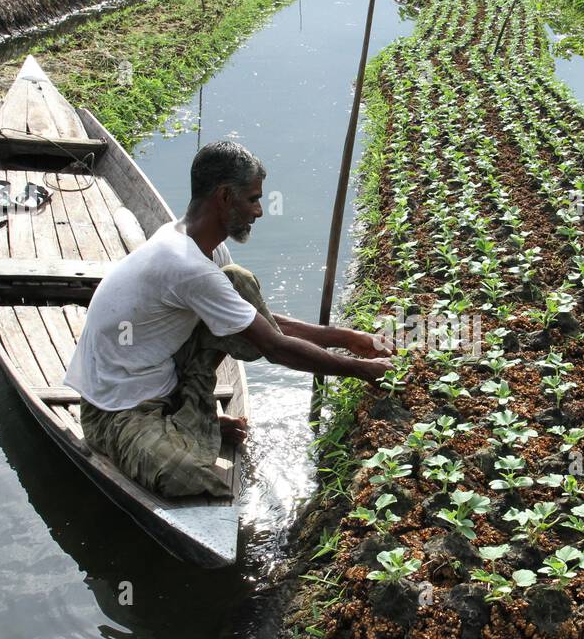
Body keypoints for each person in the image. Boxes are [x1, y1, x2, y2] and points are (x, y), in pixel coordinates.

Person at [63, 140, 390, 499]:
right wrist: (362, 371)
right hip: (115, 409)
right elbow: (275, 347)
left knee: (238, 281)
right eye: (252, 199)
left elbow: (259, 322)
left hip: (159, 379)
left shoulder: (206, 246)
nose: (260, 211)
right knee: (189, 479)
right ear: (223, 197)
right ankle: (187, 426)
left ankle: (190, 420)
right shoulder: (186, 265)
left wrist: (348, 338)